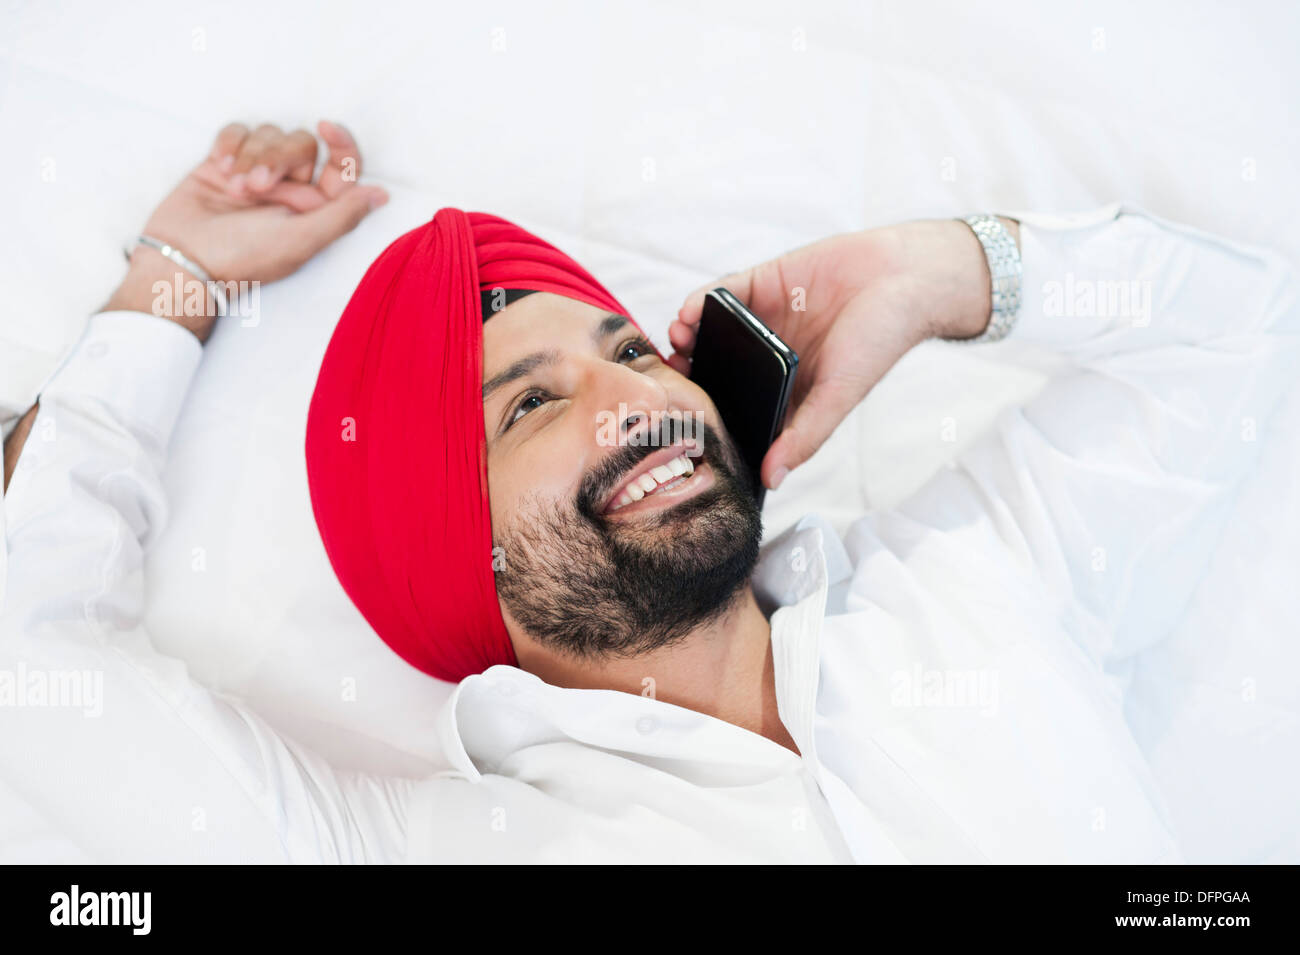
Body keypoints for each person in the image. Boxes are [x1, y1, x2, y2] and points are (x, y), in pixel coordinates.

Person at [2, 120, 1296, 863]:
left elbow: (1240, 331)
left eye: (629, 349)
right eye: (530, 404)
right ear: (454, 554)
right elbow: (28, 659)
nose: (635, 399)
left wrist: (941, 273)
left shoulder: (985, 582)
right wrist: (178, 282)